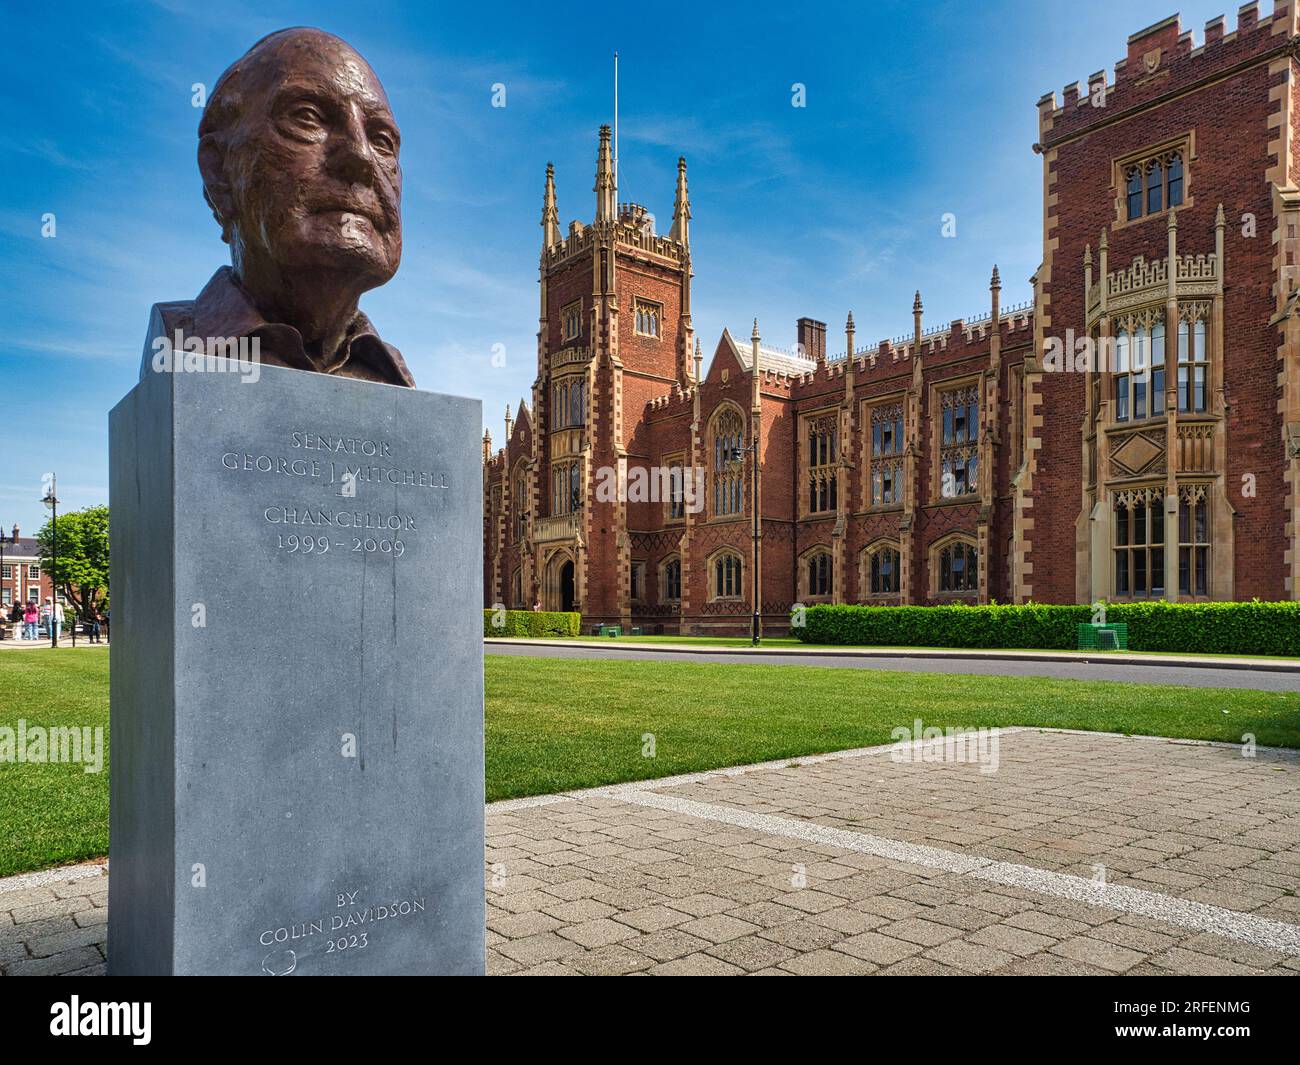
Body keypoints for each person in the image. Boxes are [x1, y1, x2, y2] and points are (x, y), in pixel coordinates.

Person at [141, 28, 413, 388]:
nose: (361, 157)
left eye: (381, 140)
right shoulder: (181, 345)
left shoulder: (390, 374)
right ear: (219, 170)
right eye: (308, 117)